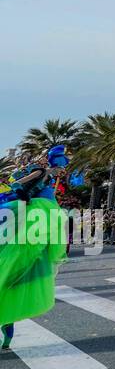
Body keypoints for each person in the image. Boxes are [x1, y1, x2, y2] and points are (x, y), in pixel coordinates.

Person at [0, 147, 72, 351]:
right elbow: (17, 185)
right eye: (61, 164)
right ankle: (7, 336)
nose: (62, 170)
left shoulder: (44, 175)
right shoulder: (40, 171)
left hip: (33, 215)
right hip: (36, 212)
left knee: (8, 282)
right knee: (9, 282)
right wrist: (45, 175)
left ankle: (7, 336)